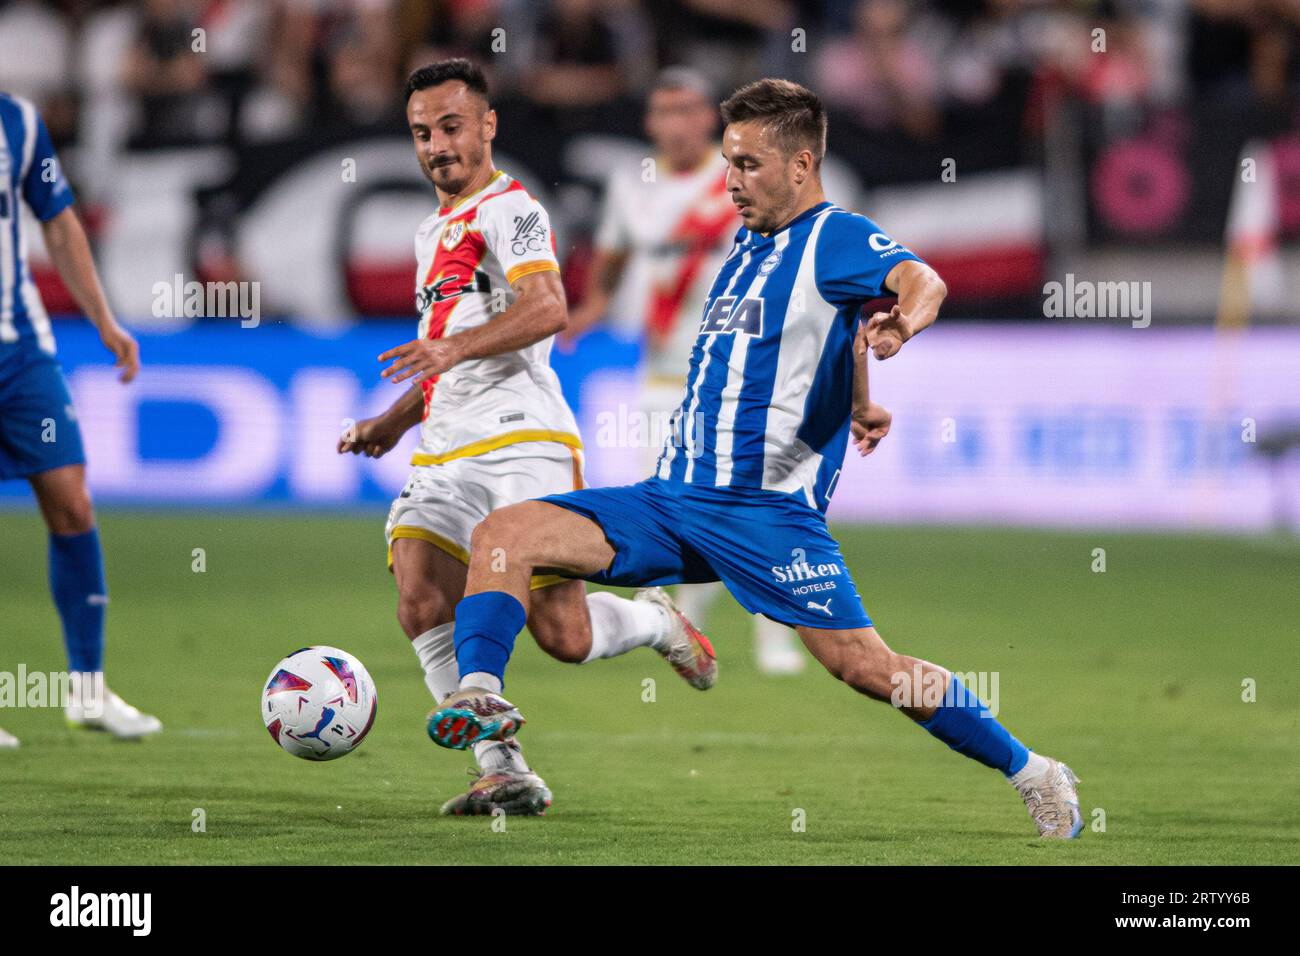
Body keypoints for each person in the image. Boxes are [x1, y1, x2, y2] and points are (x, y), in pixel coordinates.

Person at [425, 78, 1083, 839]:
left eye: (748, 165)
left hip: (764, 516)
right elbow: (833, 326)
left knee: (868, 669)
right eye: (728, 163)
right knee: (505, 535)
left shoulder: (834, 236)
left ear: (802, 165)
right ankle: (478, 696)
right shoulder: (749, 241)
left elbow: (917, 280)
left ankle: (1034, 770)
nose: (731, 181)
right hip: (671, 498)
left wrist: (904, 322)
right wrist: (861, 395)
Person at [339, 59, 716, 816]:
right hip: (444, 444)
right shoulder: (430, 230)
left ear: (487, 126)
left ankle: (651, 618)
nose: (437, 145)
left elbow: (547, 307)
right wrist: (396, 418)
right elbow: (451, 344)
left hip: (521, 438)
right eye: (422, 133)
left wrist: (447, 352)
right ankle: (502, 766)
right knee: (418, 597)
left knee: (565, 635)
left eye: (451, 126)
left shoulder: (512, 210)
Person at [566, 66, 806, 674]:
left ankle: (773, 636)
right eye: (664, 111)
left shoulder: (742, 178)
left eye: (688, 110)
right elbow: (613, 256)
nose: (676, 123)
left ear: (711, 119)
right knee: (675, 514)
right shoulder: (632, 185)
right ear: (651, 122)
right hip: (663, 380)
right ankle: (685, 621)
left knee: (756, 506)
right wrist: (592, 305)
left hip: (743, 378)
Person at [0, 91, 159, 748]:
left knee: (72, 504)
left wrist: (104, 319)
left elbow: (58, 221)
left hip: (20, 350)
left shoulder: (18, 121)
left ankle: (88, 690)